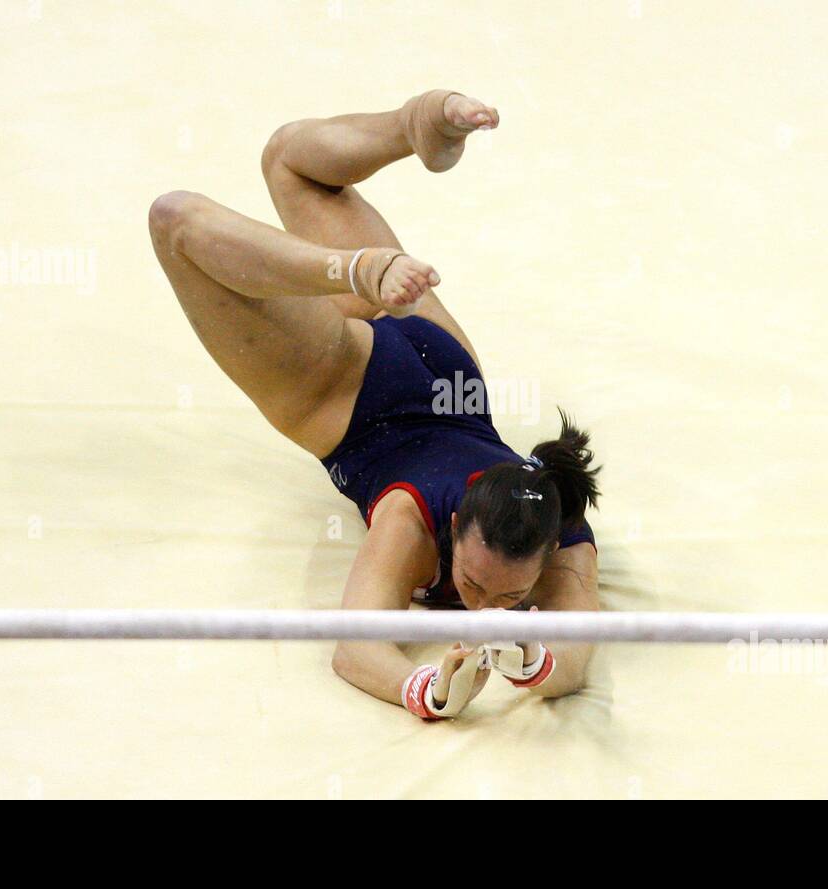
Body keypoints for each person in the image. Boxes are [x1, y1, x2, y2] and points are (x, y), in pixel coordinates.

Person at [148, 90, 600, 720]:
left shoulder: (563, 531)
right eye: (471, 583)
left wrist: (530, 661)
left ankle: (415, 126)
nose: (485, 608)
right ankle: (350, 270)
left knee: (290, 162)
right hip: (347, 393)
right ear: (454, 526)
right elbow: (356, 649)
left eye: (509, 595)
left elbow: (576, 660)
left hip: (451, 372)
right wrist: (425, 694)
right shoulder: (412, 519)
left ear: (547, 554)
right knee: (174, 222)